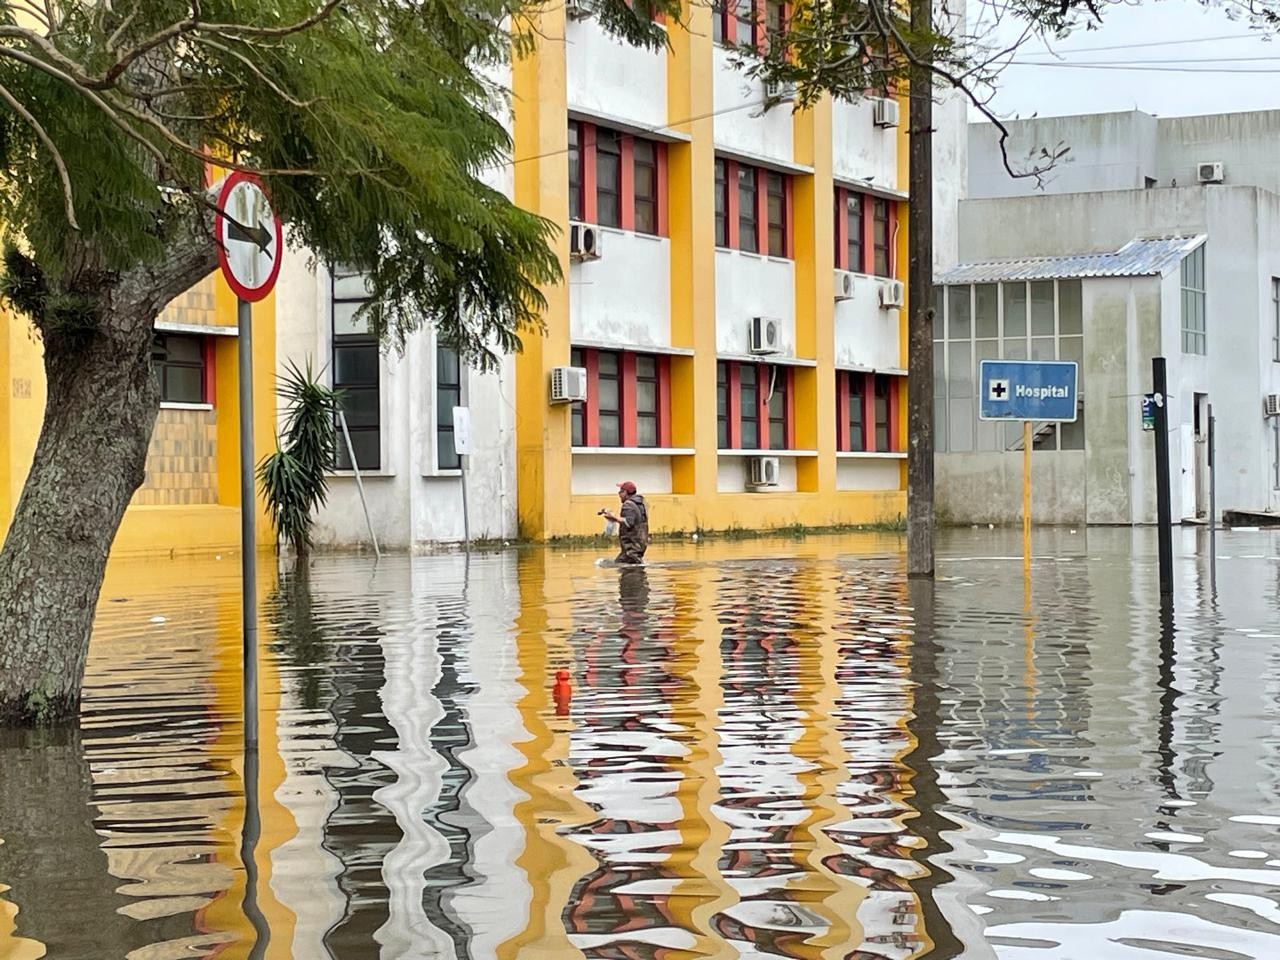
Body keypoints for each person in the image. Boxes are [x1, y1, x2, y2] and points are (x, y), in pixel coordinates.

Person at [599, 480, 649, 565]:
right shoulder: (640, 503)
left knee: (626, 569)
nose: (619, 495)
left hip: (631, 547)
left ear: (625, 492)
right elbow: (633, 522)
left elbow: (629, 522)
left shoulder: (628, 504)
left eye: (620, 492)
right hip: (639, 545)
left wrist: (613, 516)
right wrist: (614, 518)